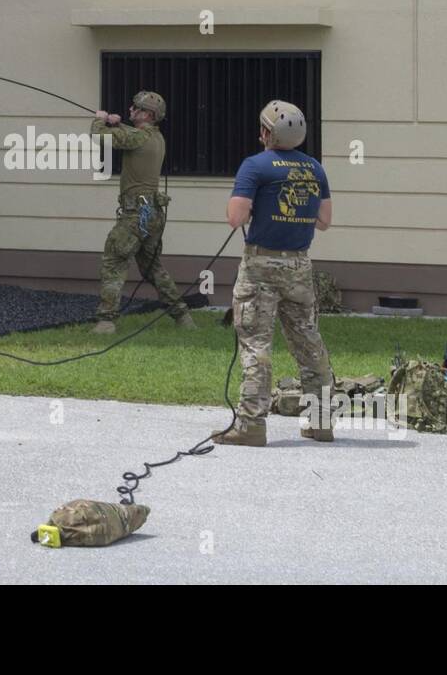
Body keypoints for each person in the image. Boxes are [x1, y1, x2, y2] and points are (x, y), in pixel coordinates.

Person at [211, 100, 336, 446]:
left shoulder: (255, 166)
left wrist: (251, 203)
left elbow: (235, 218)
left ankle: (251, 425)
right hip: (299, 265)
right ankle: (321, 423)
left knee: (256, 345)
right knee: (309, 343)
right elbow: (324, 221)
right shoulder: (315, 169)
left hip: (261, 266)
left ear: (267, 133)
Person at [89, 91, 194, 334]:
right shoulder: (155, 138)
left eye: (135, 108)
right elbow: (131, 135)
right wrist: (117, 123)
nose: (130, 110)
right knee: (152, 267)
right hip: (153, 213)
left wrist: (100, 119)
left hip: (136, 214)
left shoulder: (137, 137)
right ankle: (182, 316)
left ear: (147, 114)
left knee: (114, 259)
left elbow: (99, 138)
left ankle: (106, 321)